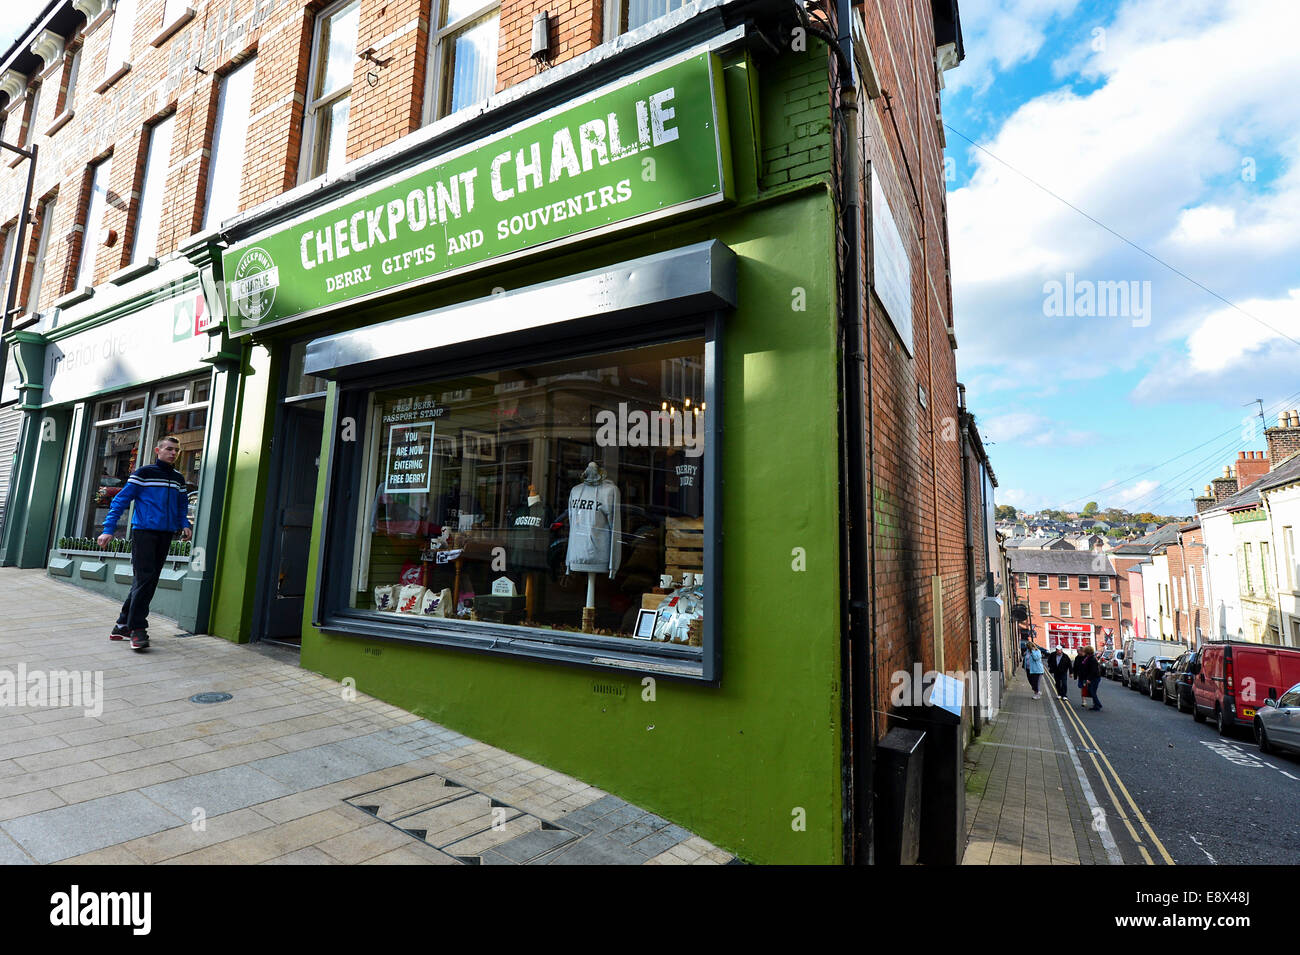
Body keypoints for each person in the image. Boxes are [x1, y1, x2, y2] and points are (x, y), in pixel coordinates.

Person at [97, 435, 193, 651]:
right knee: (145, 579)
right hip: (144, 532)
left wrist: (184, 523)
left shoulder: (178, 478)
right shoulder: (144, 473)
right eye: (168, 449)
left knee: (147, 580)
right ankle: (137, 629)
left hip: (166, 533)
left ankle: (122, 624)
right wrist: (108, 530)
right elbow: (121, 500)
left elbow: (181, 505)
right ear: (157, 451)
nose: (172, 453)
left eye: (175, 450)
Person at [1077, 644, 1103, 711]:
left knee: (1092, 692)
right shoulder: (1088, 658)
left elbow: (1093, 670)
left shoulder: (1092, 659)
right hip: (1092, 677)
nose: (1083, 651)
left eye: (1085, 650)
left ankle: (1098, 705)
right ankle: (1096, 706)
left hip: (1095, 678)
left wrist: (1089, 679)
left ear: (1087, 651)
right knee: (1092, 691)